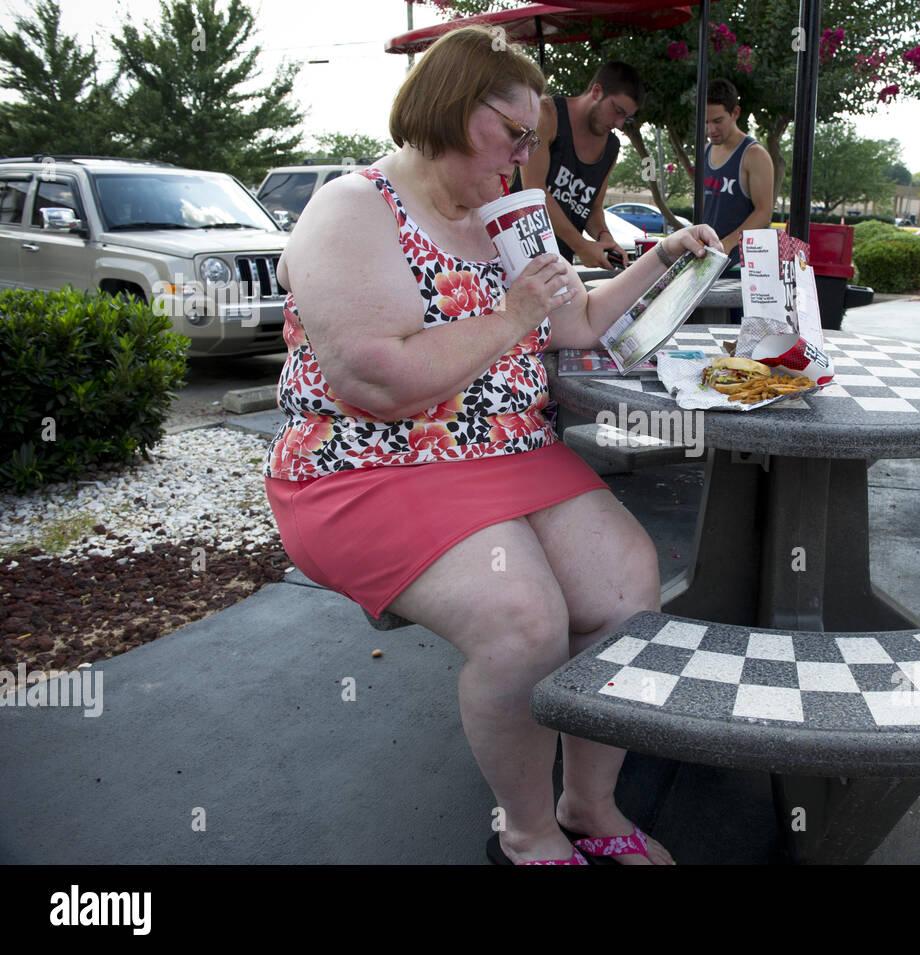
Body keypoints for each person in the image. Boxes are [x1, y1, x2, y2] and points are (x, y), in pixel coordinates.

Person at [261, 26, 723, 865]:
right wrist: (509, 314)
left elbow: (575, 318)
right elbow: (379, 379)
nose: (520, 159)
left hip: (509, 452)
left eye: (530, 141)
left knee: (627, 588)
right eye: (511, 135)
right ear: (451, 107)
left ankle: (590, 802)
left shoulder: (505, 213)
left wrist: (658, 259)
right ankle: (527, 828)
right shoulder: (354, 208)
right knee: (523, 619)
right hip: (374, 464)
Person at [520, 60, 642, 270]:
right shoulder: (548, 114)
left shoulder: (612, 146)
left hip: (558, 266)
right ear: (596, 91)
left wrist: (605, 239)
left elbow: (592, 209)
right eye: (617, 110)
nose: (619, 124)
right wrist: (582, 246)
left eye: (626, 118)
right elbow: (533, 191)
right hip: (516, 255)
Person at [701, 78, 775, 270]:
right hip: (709, 262)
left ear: (735, 113)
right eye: (706, 122)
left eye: (718, 121)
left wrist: (725, 245)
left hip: (742, 266)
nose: (711, 129)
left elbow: (764, 212)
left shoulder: (754, 154)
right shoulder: (705, 151)